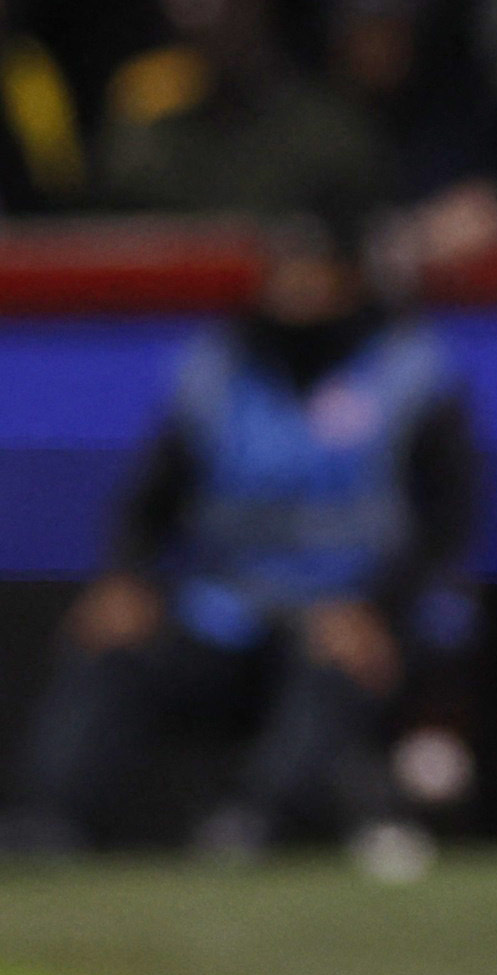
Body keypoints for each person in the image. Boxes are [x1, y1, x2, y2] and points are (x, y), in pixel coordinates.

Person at [5, 206, 471, 856]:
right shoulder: (219, 369)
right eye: (288, 272)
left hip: (349, 609)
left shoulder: (410, 372)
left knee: (332, 667)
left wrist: (379, 610)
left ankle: (259, 820)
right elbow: (151, 500)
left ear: (355, 281)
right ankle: (49, 823)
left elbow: (447, 523)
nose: (300, 289)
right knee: (109, 644)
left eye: (320, 274)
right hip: (229, 605)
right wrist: (129, 577)